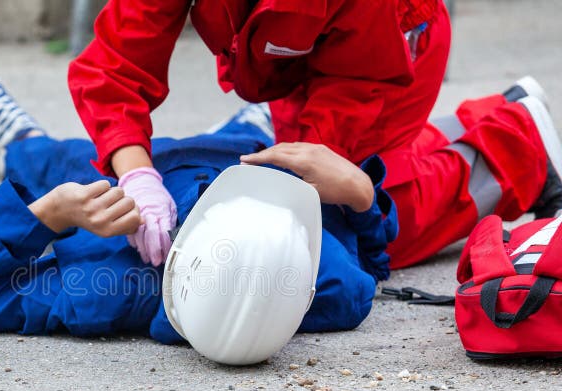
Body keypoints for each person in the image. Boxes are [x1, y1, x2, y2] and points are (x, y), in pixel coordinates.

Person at [0, 57, 398, 341]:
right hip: (250, 155)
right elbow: (372, 263)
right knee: (249, 142)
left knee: (55, 164)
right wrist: (359, 193)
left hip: (130, 175)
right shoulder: (331, 285)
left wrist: (49, 215)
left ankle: (20, 135)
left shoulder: (107, 288)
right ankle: (253, 120)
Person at [68, 0, 562, 269]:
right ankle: (467, 132)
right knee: (316, 206)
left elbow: (359, 81)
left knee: (365, 221)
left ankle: (517, 147)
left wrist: (308, 183)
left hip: (386, 52)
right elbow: (117, 64)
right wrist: (136, 178)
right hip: (287, 59)